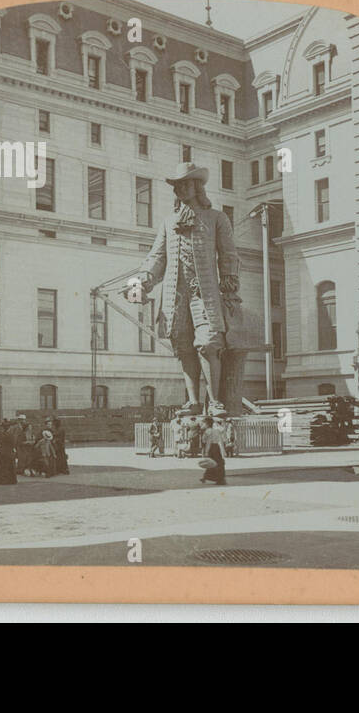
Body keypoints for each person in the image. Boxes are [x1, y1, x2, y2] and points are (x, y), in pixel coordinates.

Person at [125, 162, 241, 419]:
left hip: (206, 293)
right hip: (176, 295)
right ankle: (194, 402)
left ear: (197, 186)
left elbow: (229, 254)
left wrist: (230, 282)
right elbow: (156, 258)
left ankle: (215, 402)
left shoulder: (216, 218)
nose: (180, 189)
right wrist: (140, 283)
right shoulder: (169, 223)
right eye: (176, 185)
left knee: (208, 344)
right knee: (184, 346)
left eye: (185, 183)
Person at [199, 417, 227, 485]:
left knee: (211, 463)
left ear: (207, 424)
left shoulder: (207, 431)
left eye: (204, 423)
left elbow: (206, 441)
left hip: (211, 448)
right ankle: (220, 479)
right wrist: (223, 450)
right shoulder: (216, 431)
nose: (203, 425)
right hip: (216, 447)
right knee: (218, 463)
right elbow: (220, 441)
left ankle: (213, 478)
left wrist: (206, 451)